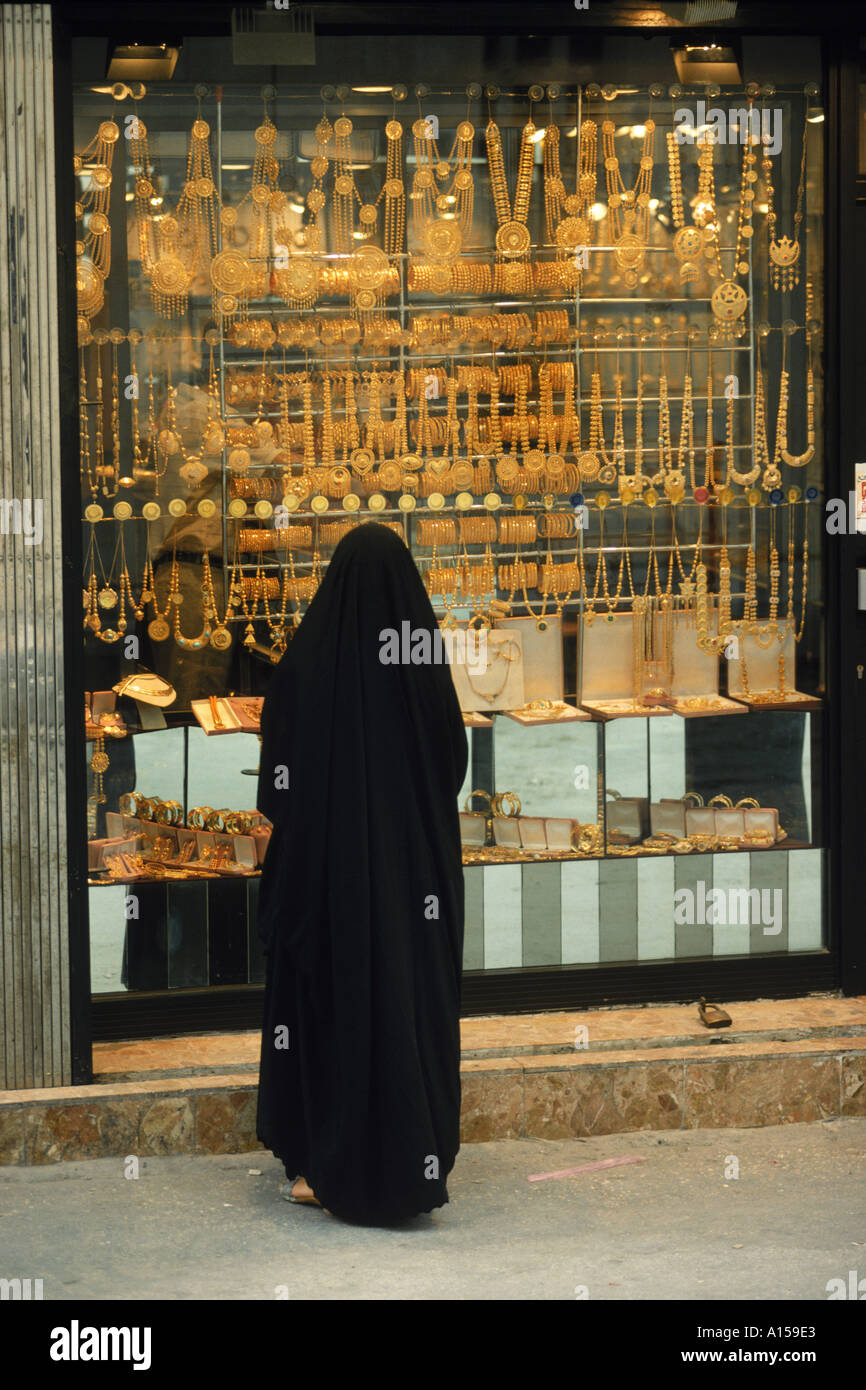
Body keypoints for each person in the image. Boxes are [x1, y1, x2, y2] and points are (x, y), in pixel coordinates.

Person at [255, 522, 469, 1223]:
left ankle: (324, 1162)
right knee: (407, 1000)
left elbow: (276, 790)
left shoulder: (305, 665)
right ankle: (416, 1152)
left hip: (328, 884)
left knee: (329, 1008)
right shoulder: (419, 658)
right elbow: (450, 763)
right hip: (414, 883)